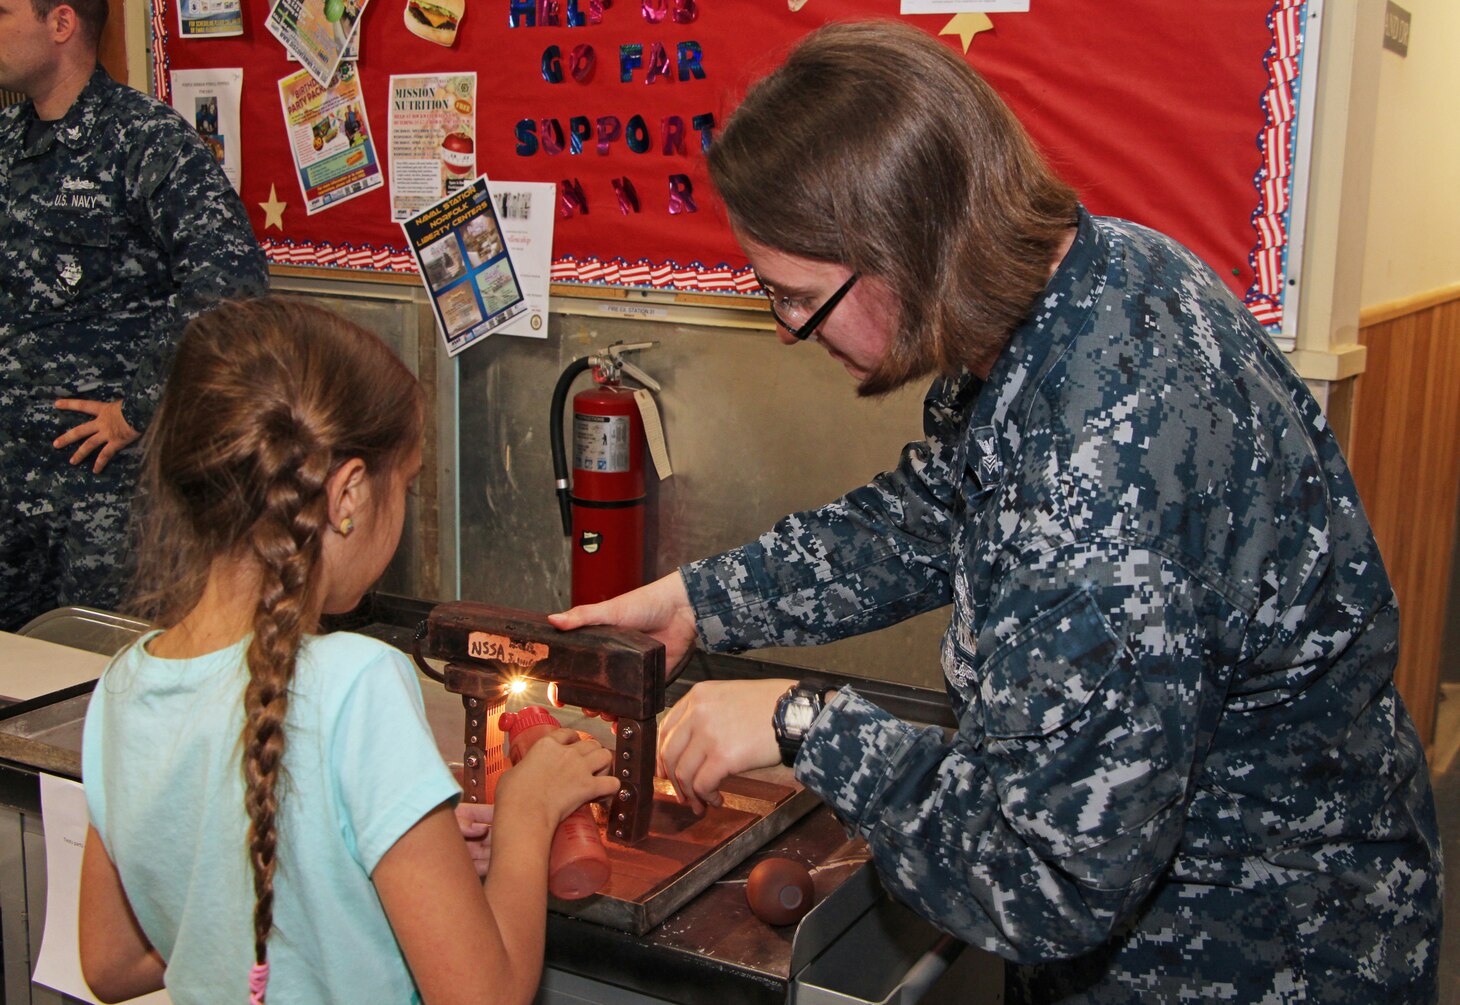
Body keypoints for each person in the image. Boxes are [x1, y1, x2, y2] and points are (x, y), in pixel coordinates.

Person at [550, 20, 1443, 1004]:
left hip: (1244, 951)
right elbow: (946, 506)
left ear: (912, 247)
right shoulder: (1089, 275)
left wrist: (805, 724)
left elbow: (1045, 878)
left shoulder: (1092, 487)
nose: (785, 330)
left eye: (798, 296)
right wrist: (702, 599)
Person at [78, 299, 621, 1005]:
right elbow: (484, 996)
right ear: (349, 493)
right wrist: (527, 811)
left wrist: (348, 866)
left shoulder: (120, 688)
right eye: (409, 484)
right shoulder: (357, 682)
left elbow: (111, 962)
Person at [0, 0, 267, 630]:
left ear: (60, 24)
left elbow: (231, 281)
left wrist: (136, 408)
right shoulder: (9, 144)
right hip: (13, 484)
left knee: (104, 678)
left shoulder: (143, 138)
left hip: (102, 491)